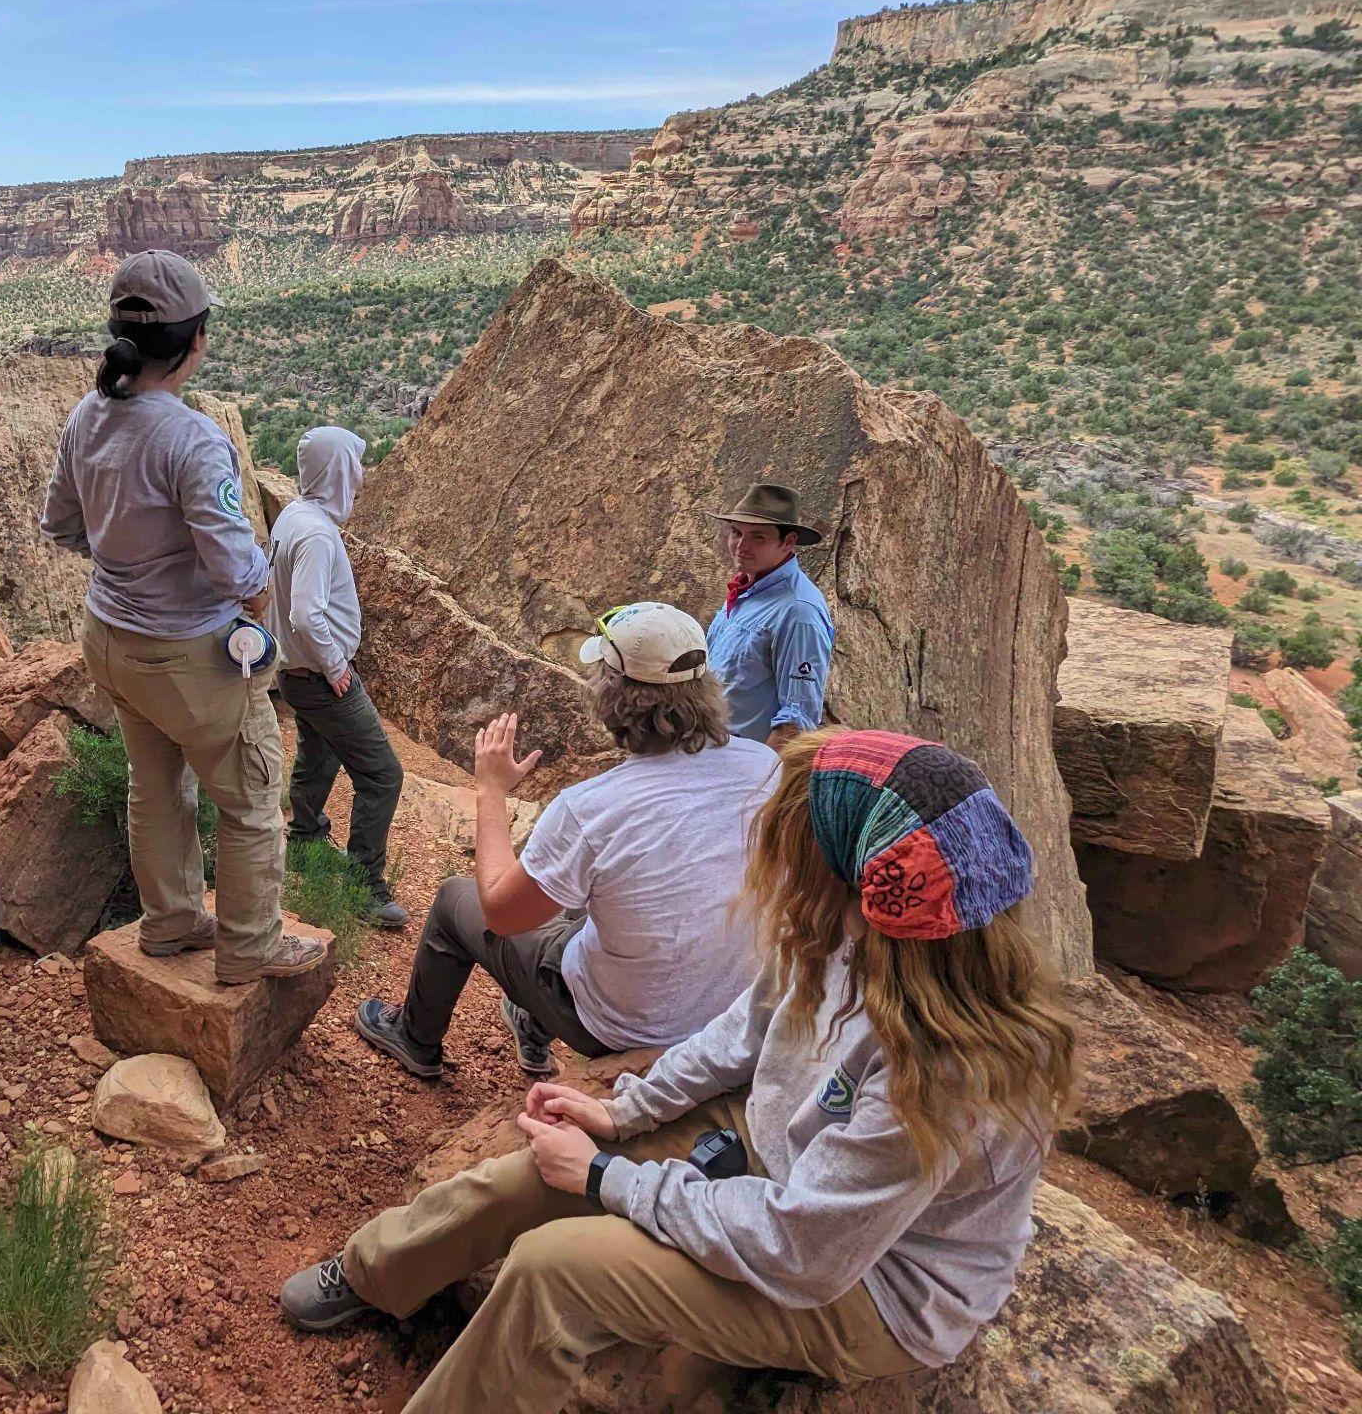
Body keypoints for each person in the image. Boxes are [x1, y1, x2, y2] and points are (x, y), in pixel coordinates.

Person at [281, 728, 1077, 1414]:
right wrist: (625, 1113)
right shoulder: (863, 935)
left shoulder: (945, 1074)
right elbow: (744, 1033)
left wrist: (606, 1182)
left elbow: (806, 1252)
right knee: (519, 1180)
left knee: (554, 1275)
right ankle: (373, 1271)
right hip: (779, 1166)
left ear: (855, 878)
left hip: (867, 1283)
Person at [41, 250, 324, 986]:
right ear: (195, 340)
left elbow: (62, 525)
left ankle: (169, 924)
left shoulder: (88, 412)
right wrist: (259, 600)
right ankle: (251, 948)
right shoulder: (192, 438)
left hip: (110, 638)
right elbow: (237, 570)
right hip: (187, 655)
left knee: (156, 781)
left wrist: (127, 562)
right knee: (254, 799)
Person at [352, 602, 778, 1081]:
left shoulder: (589, 809)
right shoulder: (765, 767)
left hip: (622, 1025)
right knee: (588, 897)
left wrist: (490, 790)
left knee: (457, 900)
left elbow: (500, 913)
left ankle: (414, 1037)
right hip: (725, 1014)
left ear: (611, 693)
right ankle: (531, 1023)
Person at [271, 426, 406, 930]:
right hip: (320, 676)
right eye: (355, 465)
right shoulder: (318, 535)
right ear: (338, 471)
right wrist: (335, 666)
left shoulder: (293, 516)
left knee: (318, 752)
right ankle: (363, 884)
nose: (361, 475)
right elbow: (307, 613)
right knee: (382, 774)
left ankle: (305, 838)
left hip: (295, 673)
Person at [704, 483, 835, 749]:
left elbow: (796, 721)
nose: (741, 546)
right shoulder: (745, 591)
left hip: (743, 772)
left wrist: (760, 783)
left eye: (758, 537)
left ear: (788, 542)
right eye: (736, 533)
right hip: (708, 757)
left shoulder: (799, 612)